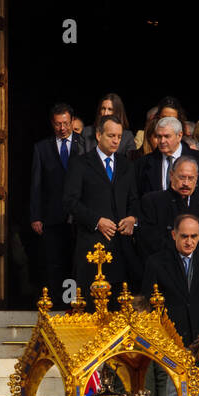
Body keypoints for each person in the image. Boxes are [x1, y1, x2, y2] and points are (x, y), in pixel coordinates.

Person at [63, 114, 140, 298]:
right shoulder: (80, 164)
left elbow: (135, 200)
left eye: (119, 137)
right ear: (99, 135)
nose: (116, 141)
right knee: (91, 306)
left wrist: (132, 219)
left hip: (121, 249)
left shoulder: (126, 165)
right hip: (92, 246)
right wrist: (96, 221)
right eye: (111, 136)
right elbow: (70, 201)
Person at [141, 214, 199, 348]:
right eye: (184, 236)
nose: (189, 242)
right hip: (168, 340)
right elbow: (147, 304)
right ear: (174, 234)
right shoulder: (156, 262)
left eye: (194, 236)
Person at [30, 101, 81, 308]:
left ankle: (74, 305)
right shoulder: (42, 148)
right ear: (53, 124)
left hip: (79, 216)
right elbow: (36, 184)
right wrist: (35, 215)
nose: (63, 128)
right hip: (52, 216)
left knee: (75, 262)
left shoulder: (85, 143)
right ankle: (59, 306)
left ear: (72, 121)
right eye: (58, 124)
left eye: (66, 123)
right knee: (54, 262)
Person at [137, 157, 199, 265]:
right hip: (163, 268)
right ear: (171, 176)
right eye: (182, 177)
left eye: (190, 178)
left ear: (196, 179)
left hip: (198, 269)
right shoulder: (152, 202)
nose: (186, 183)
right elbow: (149, 239)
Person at [135, 116, 199, 204]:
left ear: (179, 136)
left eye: (167, 136)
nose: (162, 141)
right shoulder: (143, 164)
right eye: (159, 136)